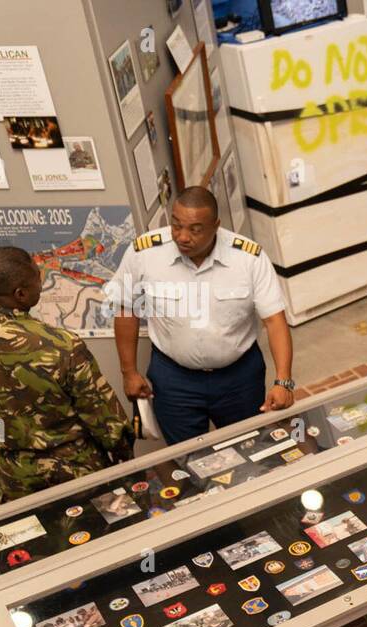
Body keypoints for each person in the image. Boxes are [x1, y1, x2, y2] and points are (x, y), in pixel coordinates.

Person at [110, 186, 295, 445]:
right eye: (176, 226)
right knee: (186, 459)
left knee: (251, 449)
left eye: (195, 229)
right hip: (174, 380)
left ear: (215, 225)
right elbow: (125, 310)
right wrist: (128, 372)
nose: (183, 237)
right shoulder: (144, 254)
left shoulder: (248, 258)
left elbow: (275, 320)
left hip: (238, 379)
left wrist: (284, 382)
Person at [0, 246, 134, 502]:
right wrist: (123, 454)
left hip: (12, 474)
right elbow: (101, 413)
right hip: (78, 470)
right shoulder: (61, 344)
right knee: (95, 536)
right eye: (38, 276)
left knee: (32, 538)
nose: (42, 281)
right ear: (21, 294)